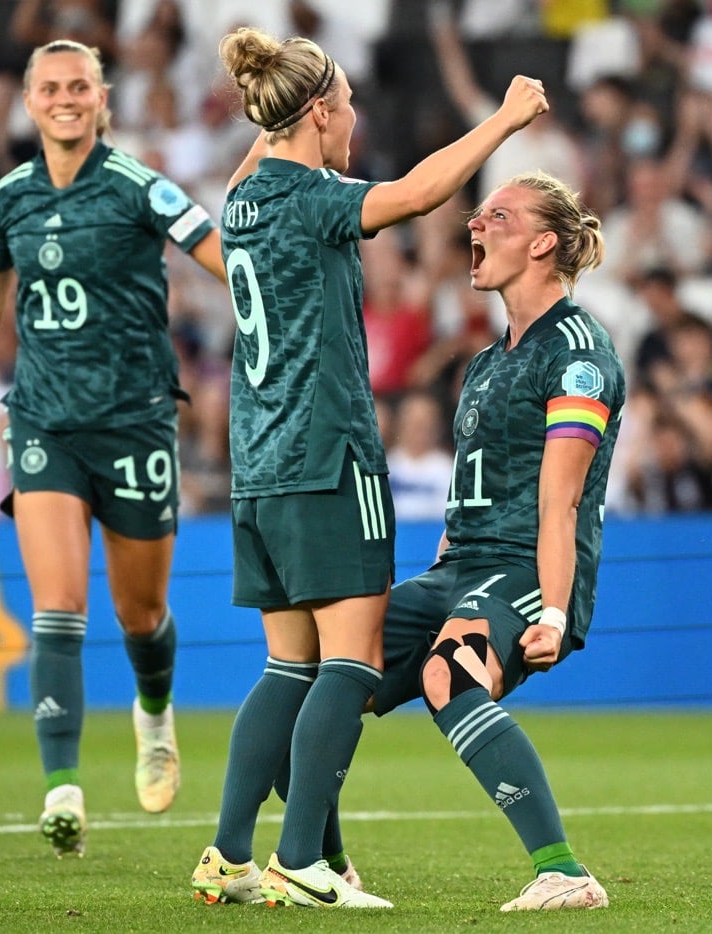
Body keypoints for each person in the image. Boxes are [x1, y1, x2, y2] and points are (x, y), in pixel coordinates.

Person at [189, 26, 548, 910]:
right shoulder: (314, 199)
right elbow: (419, 194)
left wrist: (277, 115)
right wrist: (503, 120)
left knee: (286, 669)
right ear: (318, 114)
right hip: (326, 455)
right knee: (346, 667)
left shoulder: (240, 203)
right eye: (346, 105)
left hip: (256, 466)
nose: (356, 121)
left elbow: (257, 163)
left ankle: (229, 855)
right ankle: (303, 860)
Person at [0, 39, 225, 857]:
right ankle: (63, 788)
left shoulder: (138, 185)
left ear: (102, 99)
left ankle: (154, 715)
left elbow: (214, 251)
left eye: (80, 85)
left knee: (140, 612)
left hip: (138, 421)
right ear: (29, 100)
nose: (66, 97)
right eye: (51, 87)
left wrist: (272, 286)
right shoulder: (10, 197)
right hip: (43, 421)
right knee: (58, 606)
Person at [369, 171, 624, 911]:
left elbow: (561, 497)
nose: (475, 225)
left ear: (544, 242)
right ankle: (324, 866)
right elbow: (470, 489)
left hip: (526, 566)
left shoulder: (578, 351)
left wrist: (550, 611)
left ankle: (565, 872)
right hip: (462, 565)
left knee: (450, 674)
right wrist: (440, 573)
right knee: (333, 662)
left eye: (498, 215)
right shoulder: (485, 362)